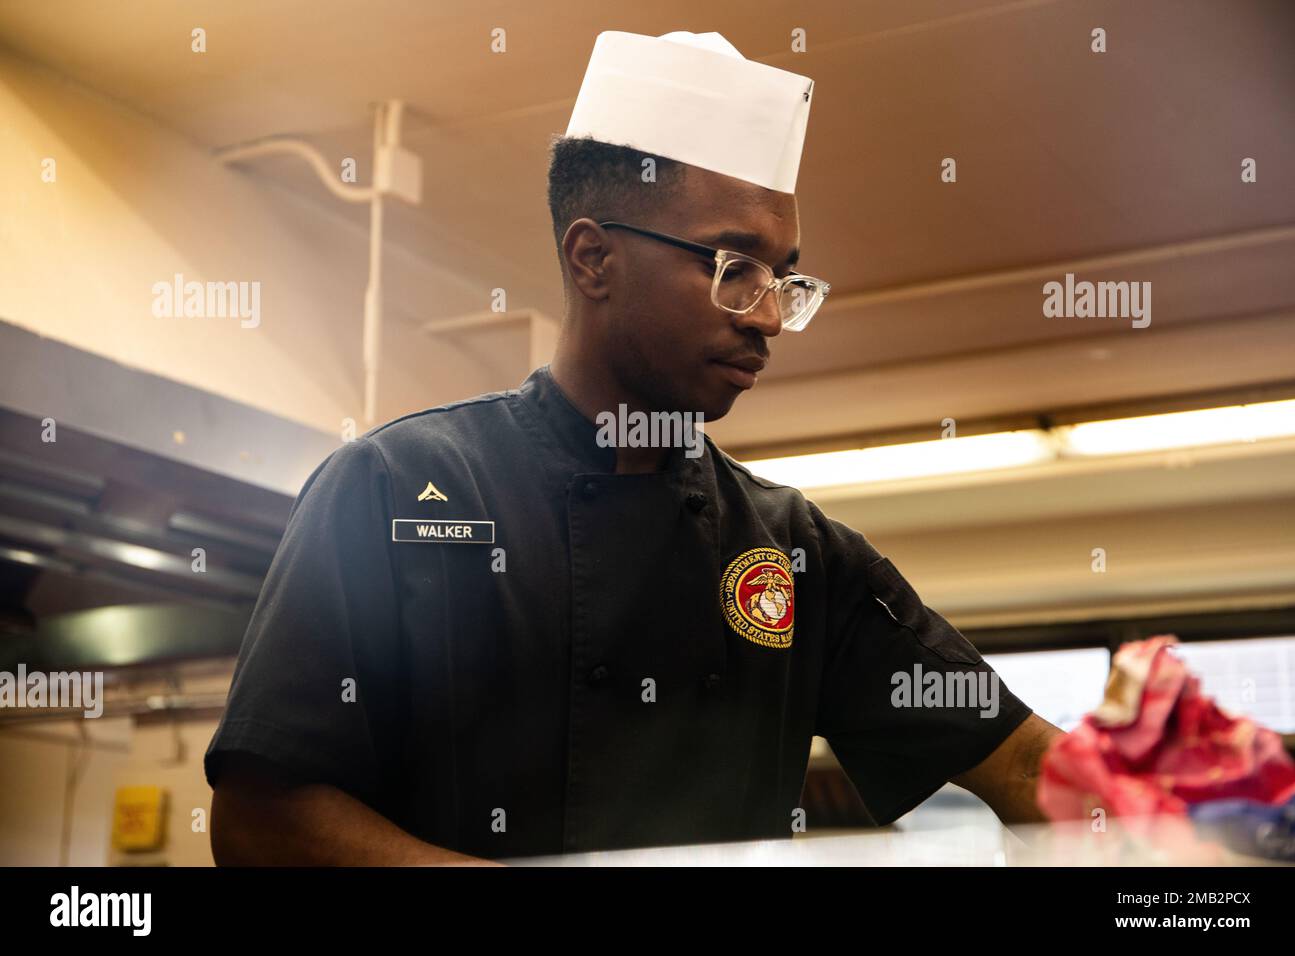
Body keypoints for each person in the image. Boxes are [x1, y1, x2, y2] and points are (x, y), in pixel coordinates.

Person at [206, 29, 1062, 866]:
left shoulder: (795, 552)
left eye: (784, 280)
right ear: (593, 259)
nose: (768, 316)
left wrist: (1168, 778)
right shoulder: (398, 487)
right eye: (735, 268)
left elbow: (1023, 764)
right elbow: (263, 821)